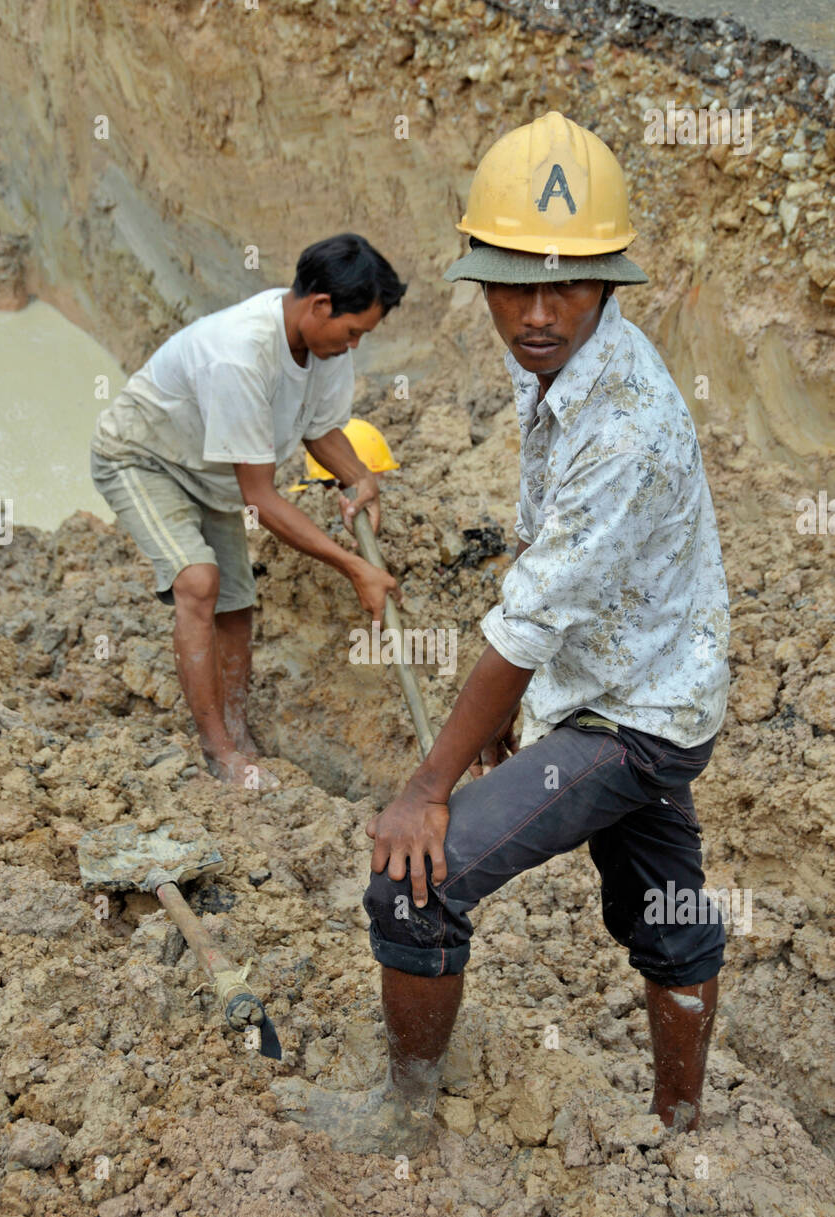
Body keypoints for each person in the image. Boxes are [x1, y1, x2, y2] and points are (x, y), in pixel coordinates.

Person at [272, 112, 731, 1156]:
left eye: (561, 286)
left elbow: (528, 617)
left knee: (410, 882)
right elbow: (548, 573)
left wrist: (426, 785)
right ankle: (680, 1124)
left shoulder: (620, 425)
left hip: (631, 714)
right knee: (665, 909)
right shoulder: (563, 364)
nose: (533, 313)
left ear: (608, 281)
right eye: (511, 284)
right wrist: (517, 708)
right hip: (642, 678)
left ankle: (405, 1118)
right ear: (477, 280)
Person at [90, 234, 406, 784]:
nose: (354, 346)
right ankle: (220, 752)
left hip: (214, 470)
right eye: (353, 331)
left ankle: (237, 728)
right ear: (320, 305)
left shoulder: (324, 346)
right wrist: (356, 567)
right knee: (198, 581)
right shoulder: (240, 354)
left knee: (235, 603)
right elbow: (261, 496)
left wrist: (360, 477)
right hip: (143, 458)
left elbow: (320, 429)